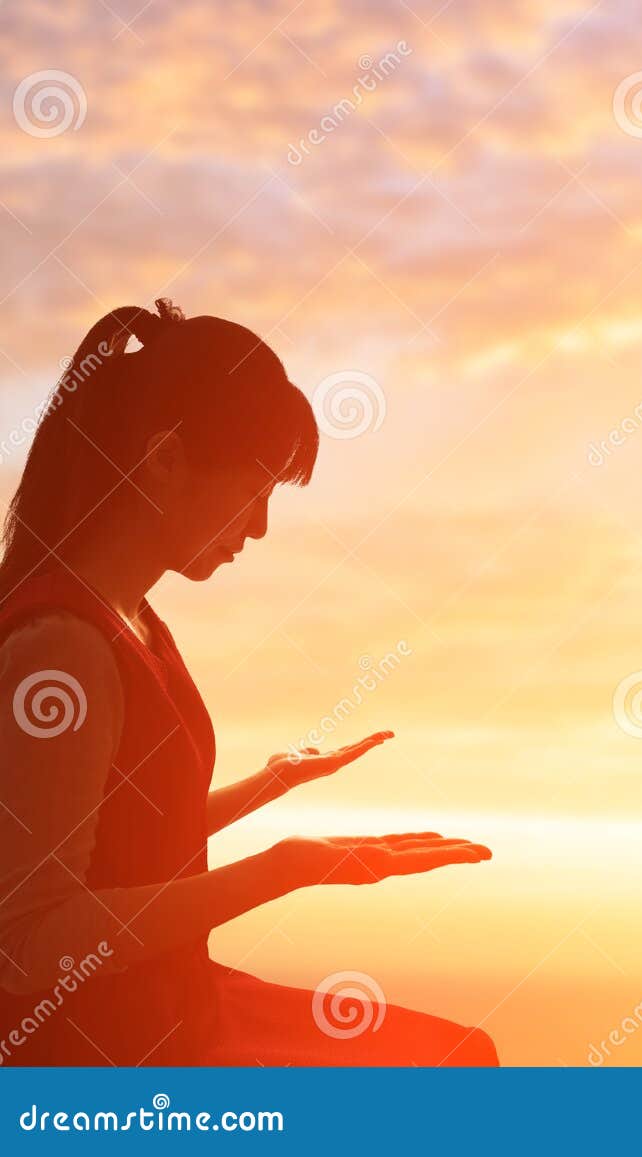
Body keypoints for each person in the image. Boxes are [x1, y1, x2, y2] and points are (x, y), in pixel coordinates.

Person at [0, 299, 497, 1066]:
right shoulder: (63, 649)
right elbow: (29, 943)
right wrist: (280, 871)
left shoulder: (134, 620)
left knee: (457, 1057)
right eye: (253, 487)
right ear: (164, 462)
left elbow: (129, 841)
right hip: (104, 1051)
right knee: (448, 1070)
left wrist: (267, 784)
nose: (259, 525)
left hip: (170, 1008)